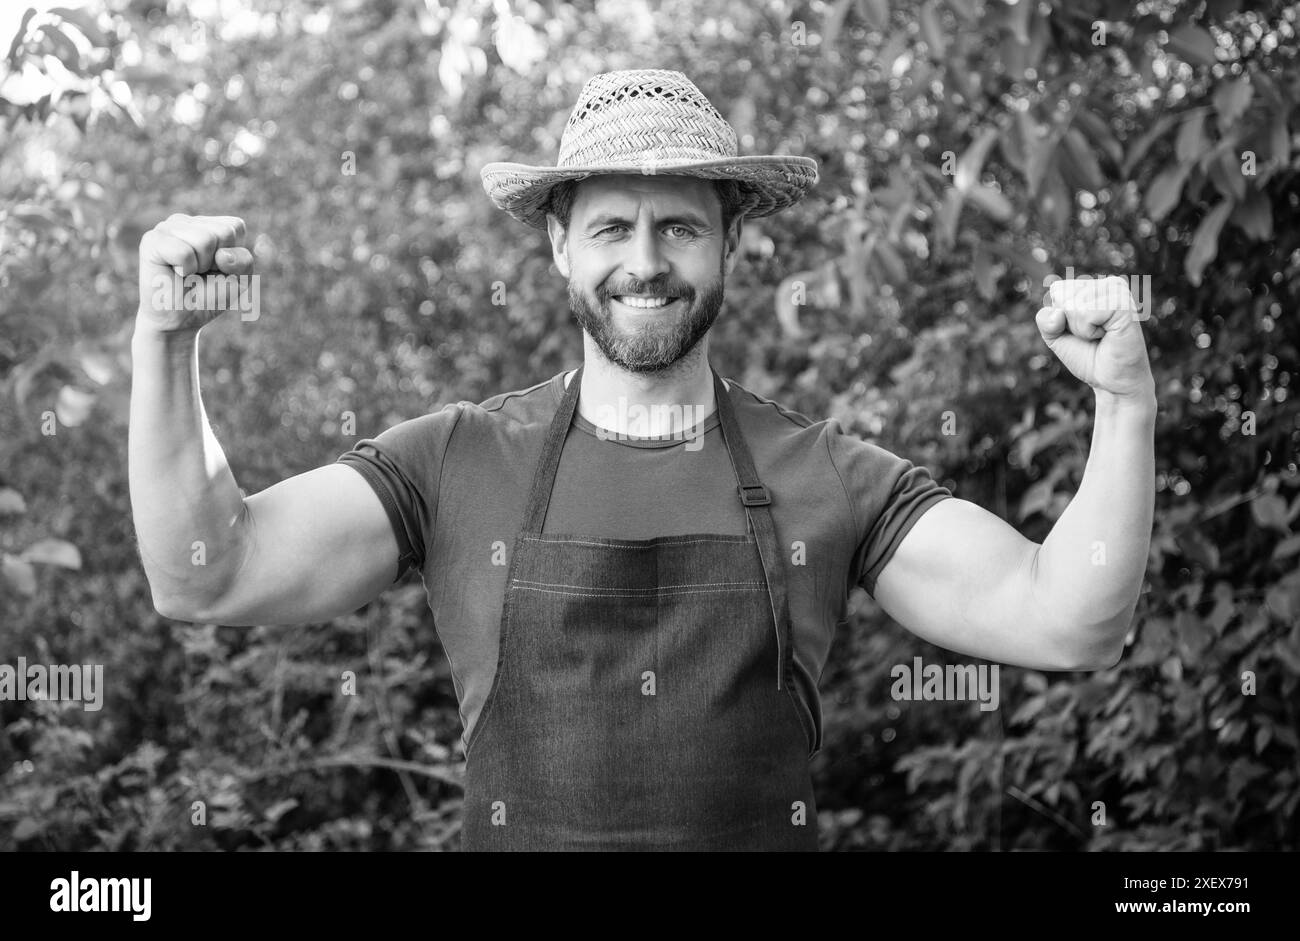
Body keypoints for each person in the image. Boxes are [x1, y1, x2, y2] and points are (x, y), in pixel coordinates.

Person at [129, 69, 1157, 851]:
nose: (646, 262)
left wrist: (1122, 402)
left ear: (731, 244)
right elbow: (206, 570)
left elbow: (1069, 617)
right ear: (559, 250)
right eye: (612, 226)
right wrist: (166, 347)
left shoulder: (825, 475)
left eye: (679, 227)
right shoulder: (455, 461)